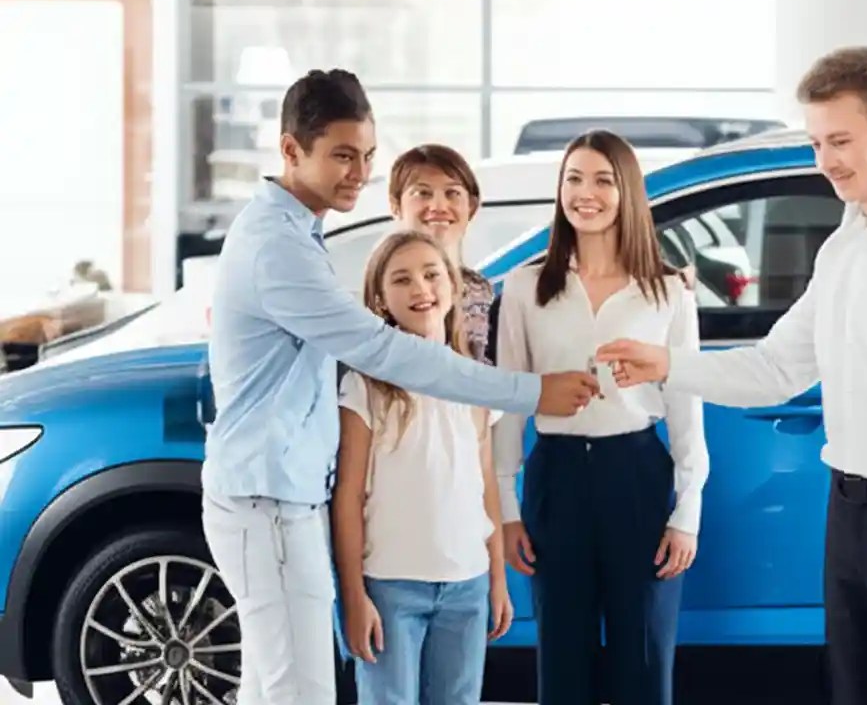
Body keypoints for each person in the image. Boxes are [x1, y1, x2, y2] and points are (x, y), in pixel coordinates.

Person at [596, 47, 867, 705]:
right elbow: (776, 369)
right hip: (851, 516)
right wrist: (667, 365)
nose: (825, 160)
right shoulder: (845, 246)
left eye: (842, 140)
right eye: (817, 142)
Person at [199, 68, 598, 705]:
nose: (357, 171)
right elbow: (389, 353)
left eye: (365, 156)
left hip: (277, 497)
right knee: (296, 692)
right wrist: (529, 392)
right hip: (266, 501)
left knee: (274, 686)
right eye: (340, 156)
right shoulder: (278, 247)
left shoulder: (295, 231)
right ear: (290, 150)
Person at [493, 130, 710, 705]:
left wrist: (686, 513)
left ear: (627, 193)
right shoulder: (524, 287)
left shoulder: (666, 291)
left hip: (636, 474)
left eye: (602, 180)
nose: (585, 194)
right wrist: (508, 512)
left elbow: (688, 410)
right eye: (574, 179)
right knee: (562, 659)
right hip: (556, 478)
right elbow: (510, 404)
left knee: (643, 655)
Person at [331, 229, 512, 704]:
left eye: (432, 275)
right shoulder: (365, 387)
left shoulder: (475, 380)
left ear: (452, 286)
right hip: (390, 587)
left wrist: (496, 578)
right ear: (381, 299)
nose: (421, 289)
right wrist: (354, 595)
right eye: (402, 280)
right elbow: (348, 496)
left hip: (467, 584)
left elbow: (485, 484)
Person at [385, 143, 496, 363]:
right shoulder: (381, 291)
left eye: (452, 193)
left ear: (471, 207)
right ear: (395, 205)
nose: (438, 206)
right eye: (422, 193)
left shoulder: (483, 293)